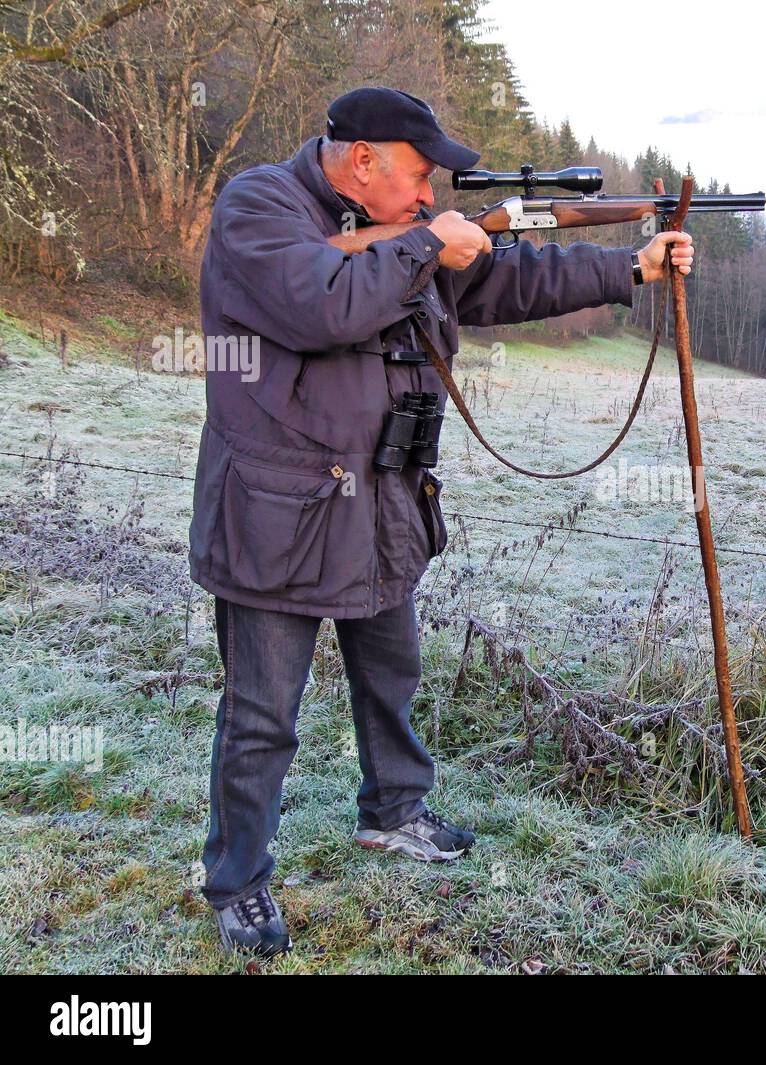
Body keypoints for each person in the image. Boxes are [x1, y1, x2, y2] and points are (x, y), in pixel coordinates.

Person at [188, 86, 694, 956]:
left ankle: (393, 812)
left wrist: (631, 268)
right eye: (419, 177)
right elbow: (319, 302)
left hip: (382, 498)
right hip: (279, 513)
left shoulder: (411, 232)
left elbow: (509, 278)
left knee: (392, 679)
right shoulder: (257, 208)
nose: (429, 197)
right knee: (263, 714)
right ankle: (237, 880)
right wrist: (426, 242)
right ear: (362, 161)